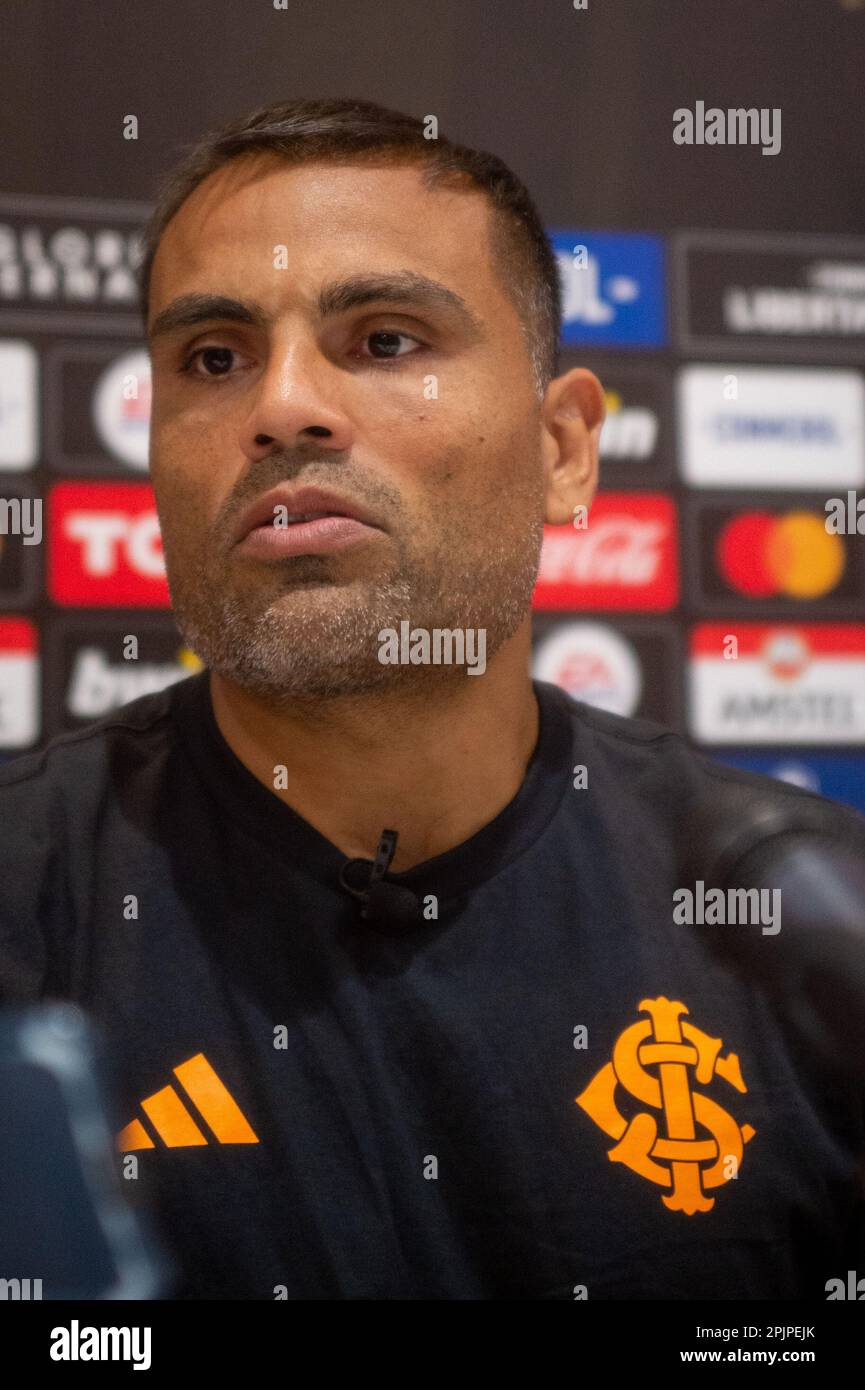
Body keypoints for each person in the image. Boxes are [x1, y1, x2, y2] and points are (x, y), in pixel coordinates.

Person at [1, 97, 863, 1300]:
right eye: (213, 358)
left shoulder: (809, 932)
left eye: (387, 339)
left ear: (563, 449)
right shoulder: (23, 887)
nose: (281, 406)